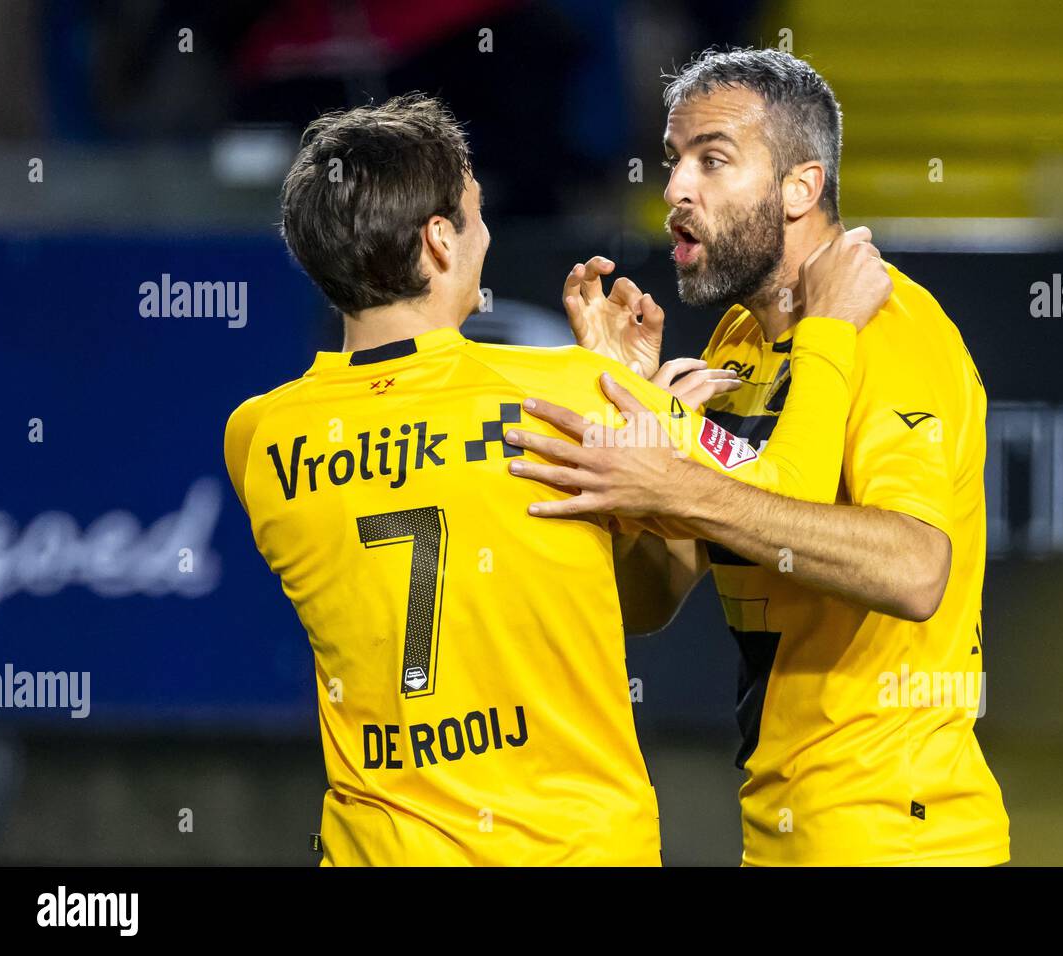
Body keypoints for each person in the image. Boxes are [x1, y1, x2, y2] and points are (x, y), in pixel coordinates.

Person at [222, 92, 890, 865]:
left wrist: (631, 416)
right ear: (439, 241)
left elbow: (544, 560)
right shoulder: (572, 393)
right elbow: (786, 502)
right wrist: (828, 330)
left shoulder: (260, 437)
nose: (488, 234)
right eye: (475, 213)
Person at [510, 48, 1010, 866]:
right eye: (675, 160)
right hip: (781, 827)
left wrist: (681, 471)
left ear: (800, 188)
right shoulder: (737, 345)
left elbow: (916, 570)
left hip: (895, 835)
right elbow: (651, 597)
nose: (675, 188)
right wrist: (641, 430)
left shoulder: (895, 332)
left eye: (712, 160)